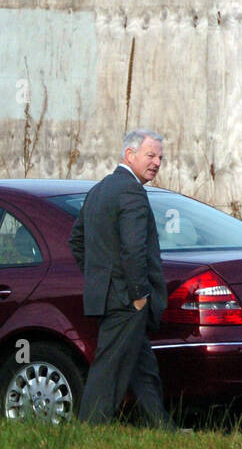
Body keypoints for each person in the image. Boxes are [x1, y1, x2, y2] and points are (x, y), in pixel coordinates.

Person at [68, 128, 180, 430]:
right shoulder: (130, 191)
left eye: (160, 157)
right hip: (127, 300)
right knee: (110, 367)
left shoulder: (100, 189)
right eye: (150, 155)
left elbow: (77, 241)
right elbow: (134, 249)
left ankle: (162, 428)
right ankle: (90, 430)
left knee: (143, 368)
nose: (157, 162)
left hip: (111, 297)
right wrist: (138, 294)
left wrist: (100, 278)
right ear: (129, 155)